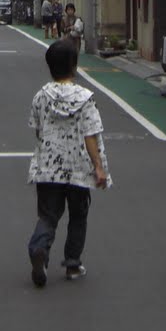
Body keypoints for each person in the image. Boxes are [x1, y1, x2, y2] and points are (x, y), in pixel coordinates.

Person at [26, 39, 110, 287]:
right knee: (78, 215)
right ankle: (73, 264)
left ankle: (39, 248)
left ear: (50, 67)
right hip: (78, 168)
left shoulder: (41, 96)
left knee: (49, 215)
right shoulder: (85, 98)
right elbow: (90, 134)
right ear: (73, 66)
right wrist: (98, 167)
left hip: (49, 165)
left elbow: (37, 128)